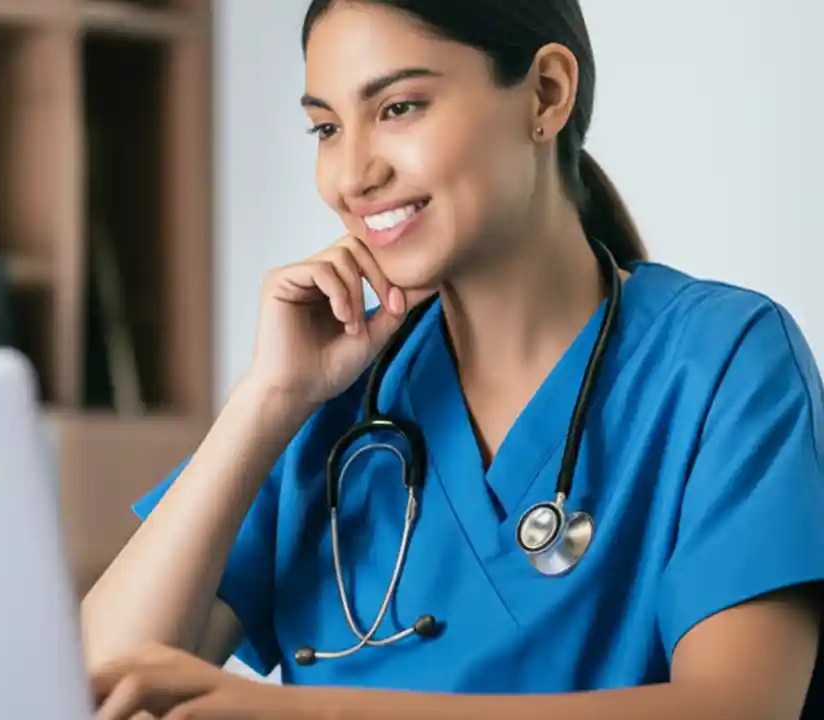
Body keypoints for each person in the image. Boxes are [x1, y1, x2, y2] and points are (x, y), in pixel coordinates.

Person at [79, 0, 824, 717]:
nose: (352, 174)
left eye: (398, 108)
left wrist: (314, 717)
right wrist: (265, 400)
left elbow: (738, 708)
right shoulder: (328, 401)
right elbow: (96, 683)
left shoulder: (722, 363)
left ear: (546, 92)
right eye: (327, 128)